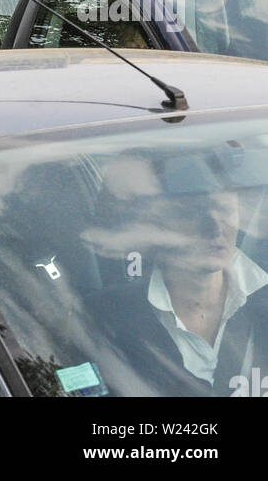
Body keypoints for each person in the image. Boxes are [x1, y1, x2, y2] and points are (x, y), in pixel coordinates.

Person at [85, 152, 268, 396]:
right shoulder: (108, 321)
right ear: (160, 224)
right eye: (194, 213)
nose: (214, 229)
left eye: (224, 211)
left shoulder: (262, 302)